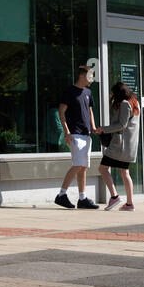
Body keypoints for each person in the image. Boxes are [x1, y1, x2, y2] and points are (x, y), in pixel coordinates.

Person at [54, 65, 98, 209]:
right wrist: (66, 131)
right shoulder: (70, 91)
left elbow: (90, 110)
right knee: (78, 165)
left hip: (86, 134)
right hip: (74, 133)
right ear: (82, 75)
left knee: (83, 167)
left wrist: (93, 126)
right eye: (90, 77)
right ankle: (61, 195)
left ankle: (82, 198)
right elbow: (62, 111)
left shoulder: (88, 92)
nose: (91, 80)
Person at [95, 82, 140, 210]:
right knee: (125, 172)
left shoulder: (125, 104)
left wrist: (103, 129)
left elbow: (122, 125)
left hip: (119, 145)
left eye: (113, 93)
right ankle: (129, 204)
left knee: (103, 169)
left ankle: (115, 196)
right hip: (128, 146)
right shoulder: (134, 102)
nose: (112, 95)